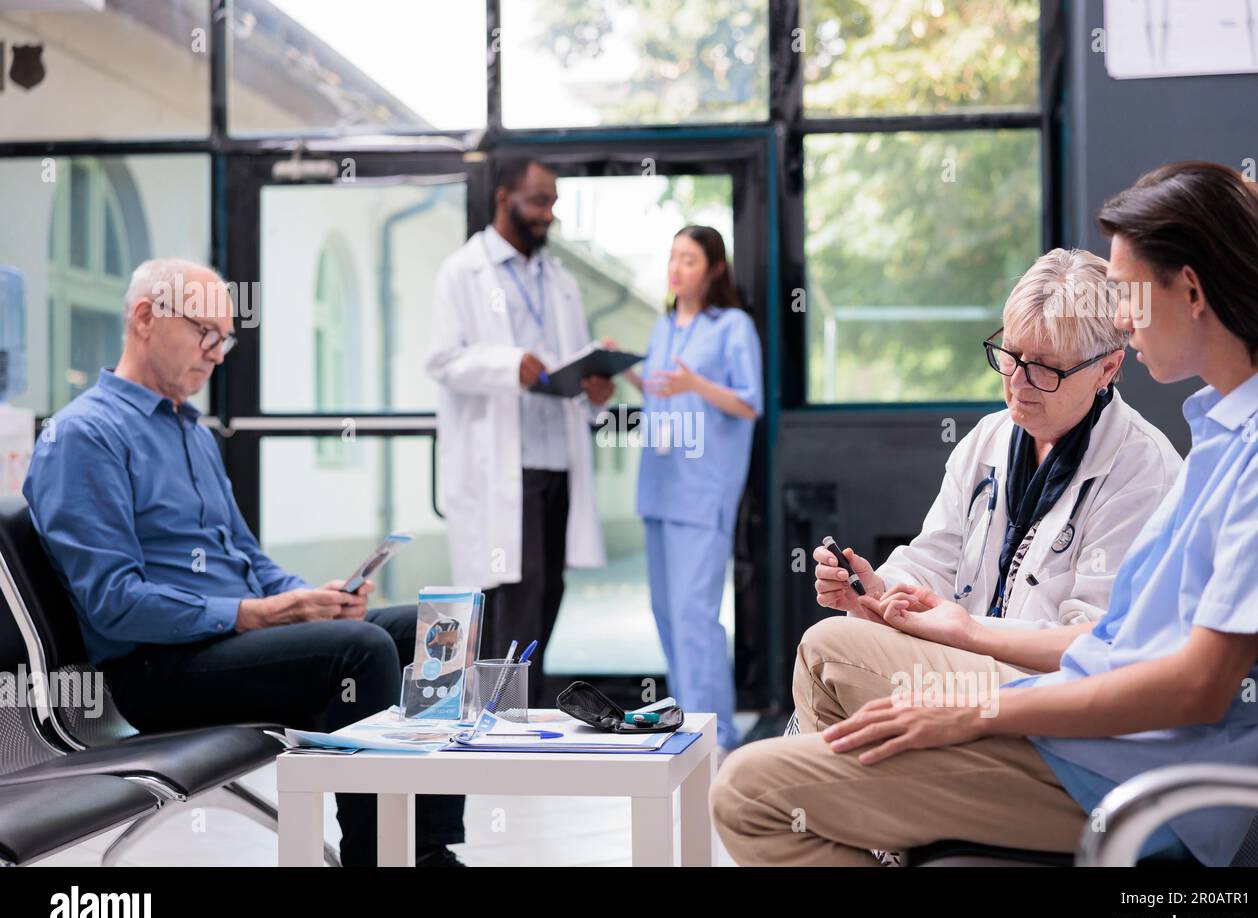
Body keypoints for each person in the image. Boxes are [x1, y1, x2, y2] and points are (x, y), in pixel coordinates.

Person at [712, 161, 1258, 867]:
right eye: (1011, 360)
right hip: (1083, 720)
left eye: (1129, 298)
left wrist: (975, 707)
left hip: (1128, 774)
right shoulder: (1226, 429)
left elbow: (1198, 686)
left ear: (1192, 291)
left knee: (746, 789)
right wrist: (942, 620)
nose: (1122, 320)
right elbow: (1116, 639)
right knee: (831, 647)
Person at [25, 258, 465, 867]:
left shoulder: (192, 433)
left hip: (226, 646)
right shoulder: (85, 437)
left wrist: (314, 599)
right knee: (358, 652)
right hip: (158, 668)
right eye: (205, 332)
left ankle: (424, 848)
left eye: (224, 337)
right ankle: (382, 860)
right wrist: (257, 615)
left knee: (433, 628)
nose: (218, 352)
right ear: (146, 319)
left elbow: (249, 560)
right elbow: (114, 602)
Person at [796, 248, 1182, 738]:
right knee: (840, 649)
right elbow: (935, 559)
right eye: (1012, 355)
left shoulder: (1142, 470)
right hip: (966, 664)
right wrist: (879, 592)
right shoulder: (988, 439)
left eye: (1046, 368)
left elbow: (1099, 644)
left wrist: (972, 632)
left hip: (1050, 697)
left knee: (827, 651)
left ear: (1106, 370)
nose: (1018, 382)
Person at [427, 158, 615, 707]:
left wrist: (594, 390)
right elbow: (443, 360)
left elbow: (574, 366)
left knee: (548, 590)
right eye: (538, 201)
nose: (547, 214)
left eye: (553, 203)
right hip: (502, 469)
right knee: (514, 595)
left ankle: (515, 713)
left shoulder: (558, 281)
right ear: (504, 197)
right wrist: (509, 365)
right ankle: (498, 717)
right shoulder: (463, 272)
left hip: (556, 458)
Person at [619, 225, 762, 752]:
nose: (677, 268)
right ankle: (687, 721)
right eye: (673, 258)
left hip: (704, 489)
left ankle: (716, 729)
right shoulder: (662, 327)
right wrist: (624, 370)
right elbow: (662, 393)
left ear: (714, 269)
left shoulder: (733, 327)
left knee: (694, 614)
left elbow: (749, 403)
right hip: (658, 485)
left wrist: (695, 384)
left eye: (690, 259)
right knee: (665, 610)